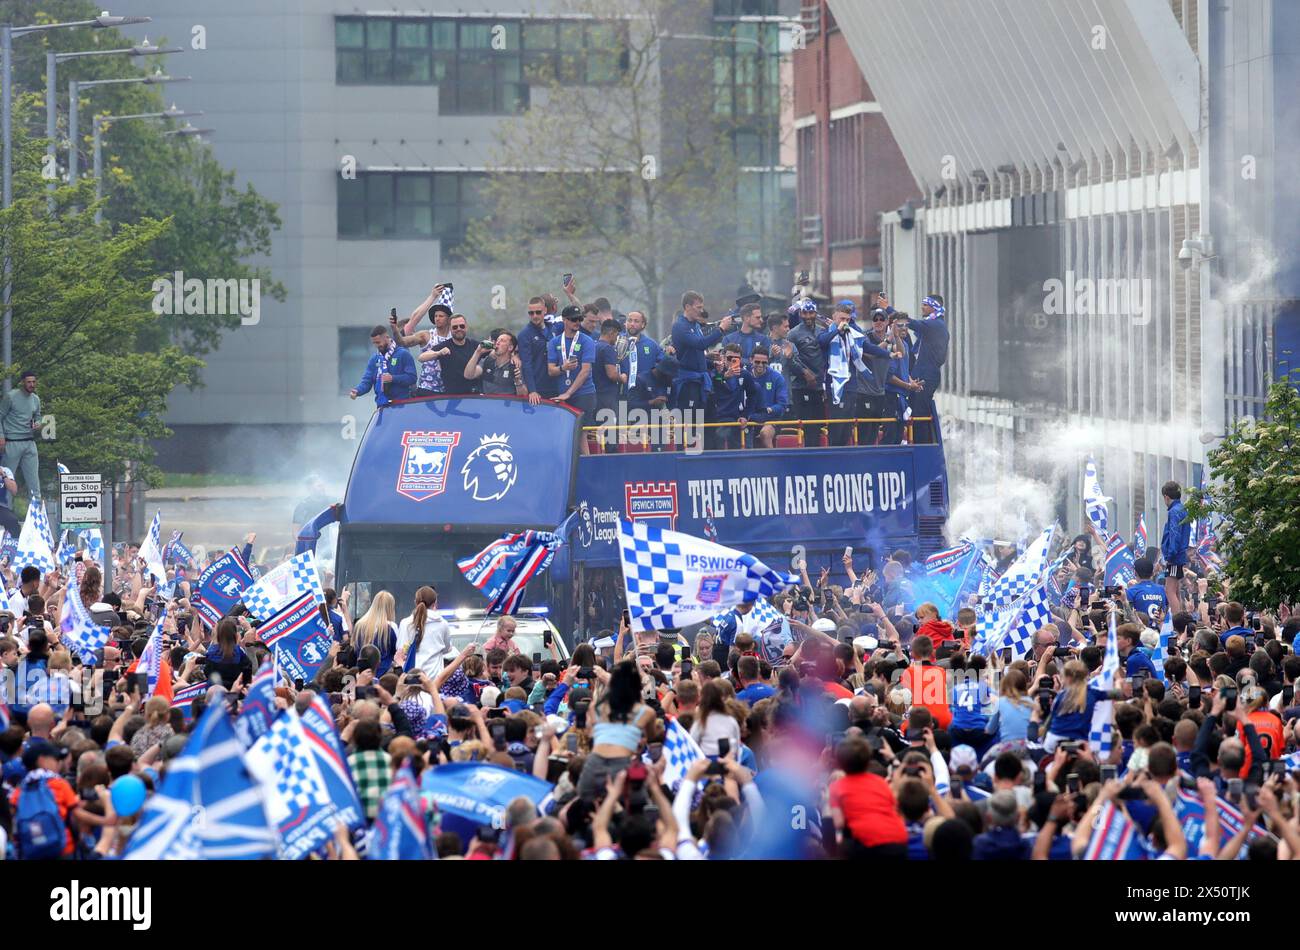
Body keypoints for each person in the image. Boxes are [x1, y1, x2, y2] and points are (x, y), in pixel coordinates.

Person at [576, 660, 654, 801]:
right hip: (621, 766)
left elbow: (592, 735)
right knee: (637, 807)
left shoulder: (597, 708)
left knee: (585, 806)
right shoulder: (645, 712)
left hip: (593, 764)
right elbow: (652, 738)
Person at [828, 736, 908, 859]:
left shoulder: (837, 787)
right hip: (898, 840)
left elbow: (838, 823)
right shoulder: (880, 782)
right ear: (867, 760)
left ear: (840, 763)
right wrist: (892, 758)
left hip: (868, 845)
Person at [670, 292, 733, 415]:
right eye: (698, 307)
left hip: (700, 381)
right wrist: (720, 329)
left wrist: (712, 363)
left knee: (703, 421)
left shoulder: (696, 325)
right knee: (689, 422)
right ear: (687, 307)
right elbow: (700, 344)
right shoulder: (680, 326)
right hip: (688, 382)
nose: (701, 310)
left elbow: (696, 353)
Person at [899, 295, 949, 444]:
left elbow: (914, 324)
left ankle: (922, 446)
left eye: (925, 305)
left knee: (920, 413)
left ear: (935, 307)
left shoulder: (936, 325)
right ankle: (918, 442)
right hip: (920, 373)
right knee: (913, 411)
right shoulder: (931, 327)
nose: (922, 307)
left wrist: (893, 313)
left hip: (926, 375)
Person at [548, 306, 598, 453]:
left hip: (584, 394)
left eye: (579, 319)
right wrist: (563, 368)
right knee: (565, 434)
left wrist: (569, 393)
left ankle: (587, 468)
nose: (577, 322)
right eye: (573, 319)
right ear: (564, 320)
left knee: (581, 433)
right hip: (563, 394)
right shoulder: (555, 342)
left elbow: (585, 371)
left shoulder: (587, 341)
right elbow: (551, 370)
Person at [390, 284, 453, 396]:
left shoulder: (454, 337)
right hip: (427, 389)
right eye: (435, 316)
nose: (437, 318)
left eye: (441, 316)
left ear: (448, 319)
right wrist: (395, 329)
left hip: (448, 390)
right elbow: (402, 341)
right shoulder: (426, 335)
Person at [786, 298, 827, 446]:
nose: (808, 316)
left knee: (818, 427)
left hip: (819, 387)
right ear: (800, 314)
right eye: (805, 313)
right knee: (807, 427)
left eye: (811, 312)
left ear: (815, 313)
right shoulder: (793, 333)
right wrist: (804, 373)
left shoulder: (822, 331)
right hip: (801, 387)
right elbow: (790, 358)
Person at [707, 343, 761, 451]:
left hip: (736, 419)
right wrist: (724, 377)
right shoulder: (716, 371)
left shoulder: (744, 374)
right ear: (723, 357)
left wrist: (746, 415)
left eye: (736, 359)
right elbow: (713, 386)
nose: (732, 361)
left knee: (739, 452)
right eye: (729, 358)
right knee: (717, 450)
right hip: (716, 419)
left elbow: (753, 394)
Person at [0, 370, 43, 500]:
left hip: (30, 442)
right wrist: (1, 436)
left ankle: (36, 513)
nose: (32, 384)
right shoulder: (11, 396)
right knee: (7, 480)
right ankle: (3, 510)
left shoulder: (36, 399)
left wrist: (38, 423)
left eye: (34, 382)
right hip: (12, 442)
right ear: (22, 382)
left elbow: (38, 416)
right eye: (29, 382)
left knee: (34, 482)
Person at [349, 324, 417, 406]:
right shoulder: (374, 359)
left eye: (378, 342)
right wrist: (358, 391)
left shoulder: (403, 354)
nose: (377, 346)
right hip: (382, 406)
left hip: (401, 405)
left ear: (387, 337)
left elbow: (412, 378)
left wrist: (392, 378)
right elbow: (367, 381)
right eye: (374, 343)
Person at [395, 585, 452, 679]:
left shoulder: (405, 623)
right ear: (435, 603)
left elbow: (401, 651)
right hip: (435, 679)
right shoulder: (443, 623)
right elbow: (446, 648)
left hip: (412, 677)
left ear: (415, 602)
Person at [1159, 480, 1191, 614]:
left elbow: (1174, 534)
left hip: (1174, 556)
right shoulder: (1183, 509)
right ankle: (1181, 616)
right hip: (1180, 554)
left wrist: (1170, 555)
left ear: (1166, 496)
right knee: (1176, 590)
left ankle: (1177, 621)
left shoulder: (1173, 511)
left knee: (1169, 590)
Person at [464, 330, 527, 397]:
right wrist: (478, 352)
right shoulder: (487, 361)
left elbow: (524, 395)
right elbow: (468, 375)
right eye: (497, 340)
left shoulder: (516, 365)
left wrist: (517, 381)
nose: (497, 343)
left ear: (510, 347)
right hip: (488, 405)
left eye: (502, 341)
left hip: (506, 406)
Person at [518, 296, 557, 405]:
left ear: (545, 310)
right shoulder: (525, 334)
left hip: (557, 385)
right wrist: (532, 390)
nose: (535, 316)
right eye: (531, 313)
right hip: (539, 389)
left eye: (538, 312)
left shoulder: (553, 328)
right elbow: (526, 364)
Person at [748, 345, 789, 449]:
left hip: (771, 419)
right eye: (757, 362)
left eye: (764, 362)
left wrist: (770, 409)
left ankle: (773, 462)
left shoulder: (777, 378)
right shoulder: (745, 376)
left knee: (765, 433)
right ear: (751, 360)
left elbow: (782, 405)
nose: (760, 365)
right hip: (750, 418)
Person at [431, 314, 481, 396]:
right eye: (455, 327)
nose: (459, 329)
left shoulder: (475, 345)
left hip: (473, 396)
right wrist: (438, 353)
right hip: (452, 397)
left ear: (466, 327)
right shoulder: (444, 346)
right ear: (450, 329)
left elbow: (494, 352)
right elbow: (421, 357)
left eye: (462, 326)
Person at [690, 679, 741, 756]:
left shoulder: (700, 722)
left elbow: (692, 747)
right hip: (729, 762)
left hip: (708, 763)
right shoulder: (731, 720)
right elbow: (737, 748)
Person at [353, 590, 399, 676]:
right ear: (390, 608)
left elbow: (356, 650)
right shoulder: (391, 627)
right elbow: (397, 651)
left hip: (362, 674)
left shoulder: (359, 625)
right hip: (383, 675)